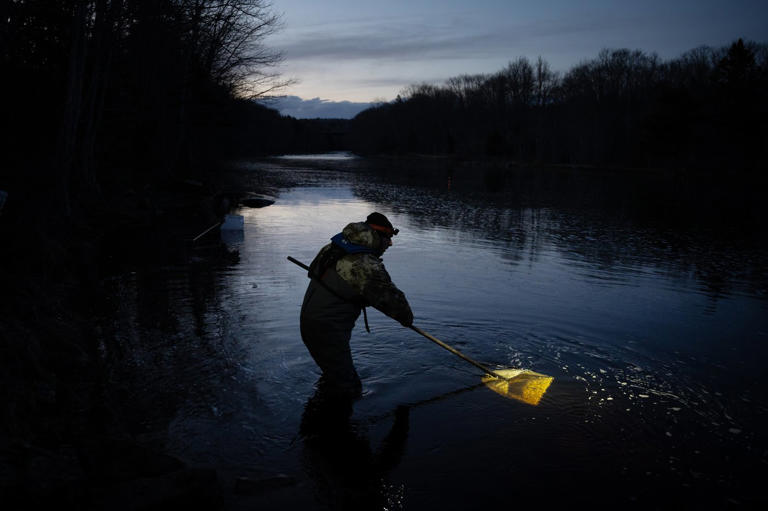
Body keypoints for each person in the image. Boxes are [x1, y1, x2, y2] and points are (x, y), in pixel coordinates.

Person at [300, 212, 413, 397]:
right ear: (378, 237)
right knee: (348, 389)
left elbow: (318, 274)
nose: (390, 244)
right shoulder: (365, 266)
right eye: (389, 238)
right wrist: (406, 319)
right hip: (327, 331)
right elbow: (395, 304)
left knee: (333, 377)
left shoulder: (333, 247)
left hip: (309, 323)